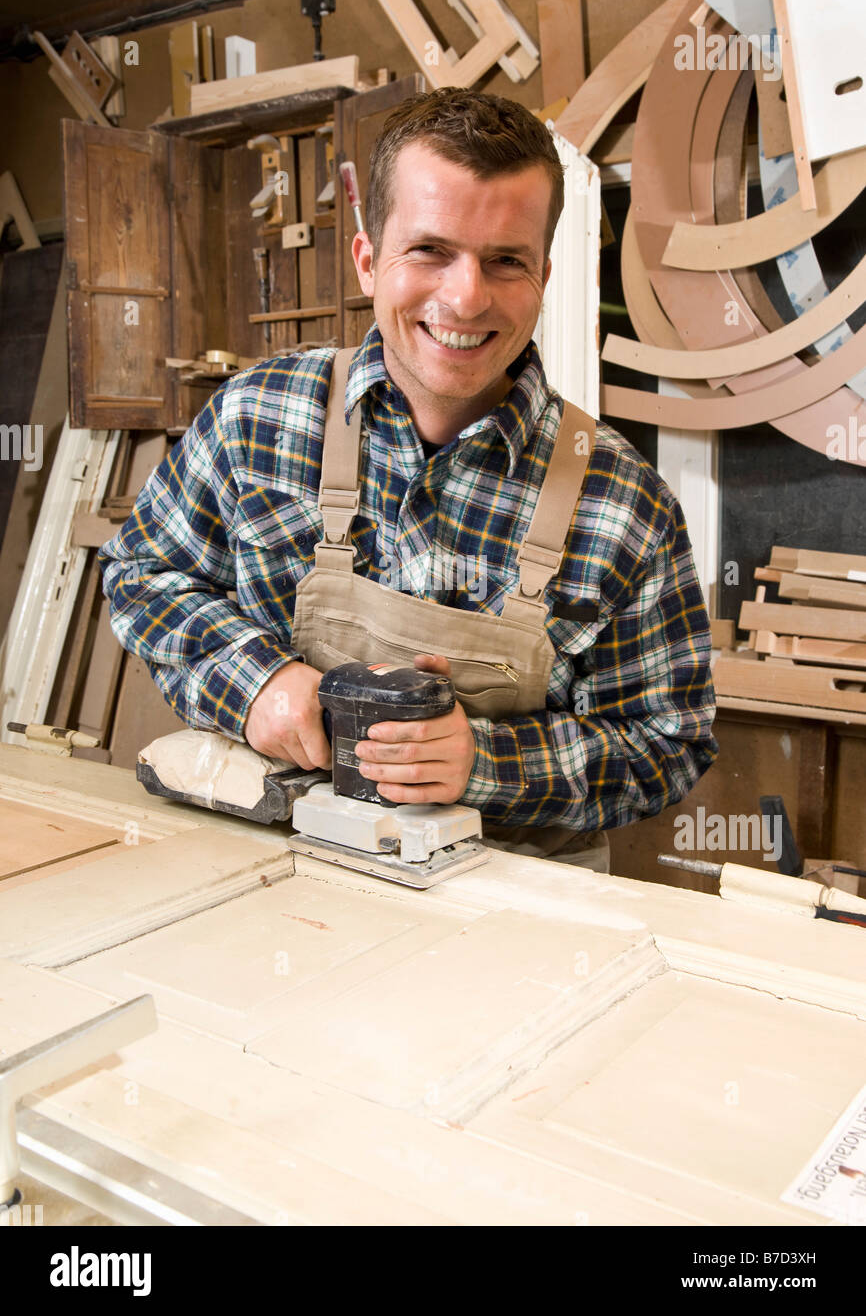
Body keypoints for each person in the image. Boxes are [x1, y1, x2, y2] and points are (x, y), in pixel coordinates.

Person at [99, 88, 717, 872]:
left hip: (507, 926)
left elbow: (667, 743)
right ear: (367, 260)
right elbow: (144, 573)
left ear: (544, 274)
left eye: (505, 261)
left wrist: (485, 762)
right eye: (430, 250)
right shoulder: (254, 417)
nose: (465, 297)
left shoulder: (625, 505)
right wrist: (256, 683)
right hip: (271, 885)